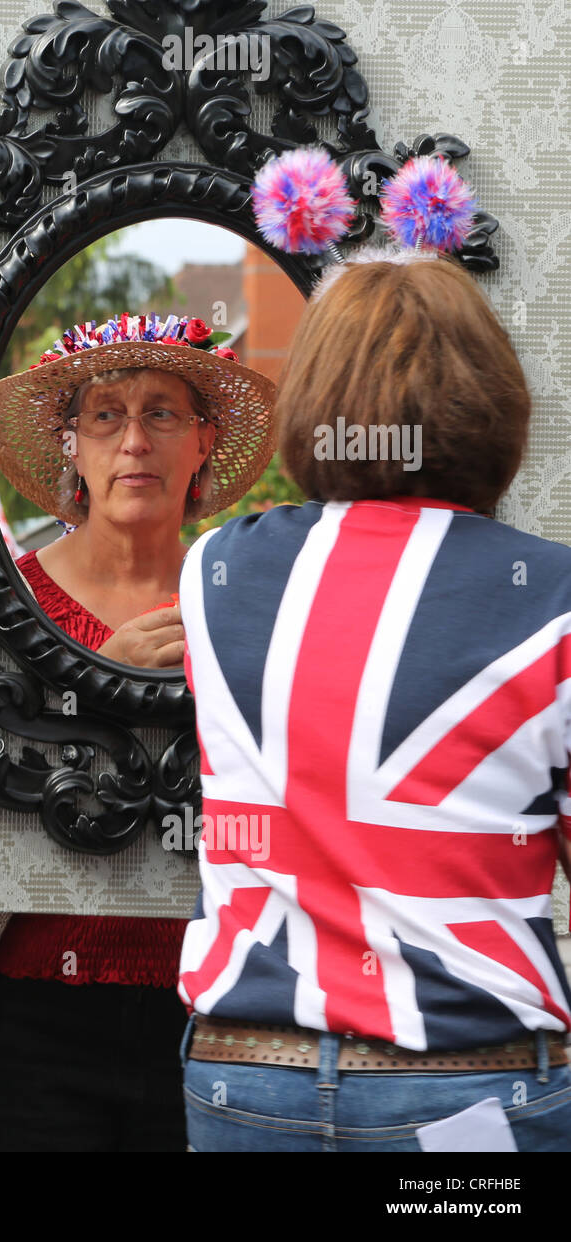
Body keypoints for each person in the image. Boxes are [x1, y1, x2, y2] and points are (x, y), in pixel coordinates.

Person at [178, 249, 571, 1152]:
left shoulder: (214, 574)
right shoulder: (551, 595)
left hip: (248, 1080)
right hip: (472, 1092)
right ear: (493, 402)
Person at [0, 311, 277, 1150]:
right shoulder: (5, 599)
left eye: (163, 412)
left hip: (205, 998)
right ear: (72, 446)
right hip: (26, 997)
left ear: (203, 443)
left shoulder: (242, 598)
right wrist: (103, 679)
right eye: (106, 415)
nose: (134, 440)